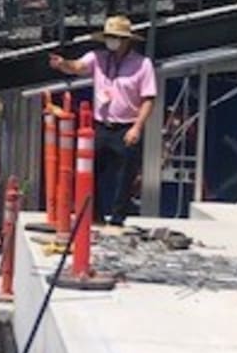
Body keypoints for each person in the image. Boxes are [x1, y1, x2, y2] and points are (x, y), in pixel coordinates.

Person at [49, 15, 158, 226]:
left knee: (125, 176)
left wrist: (137, 127)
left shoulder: (142, 64)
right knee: (88, 170)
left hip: (126, 126)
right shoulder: (98, 57)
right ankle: (94, 215)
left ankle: (118, 219)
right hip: (101, 125)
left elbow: (148, 98)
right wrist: (63, 65)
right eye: (109, 36)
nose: (112, 41)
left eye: (116, 37)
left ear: (126, 40)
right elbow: (79, 67)